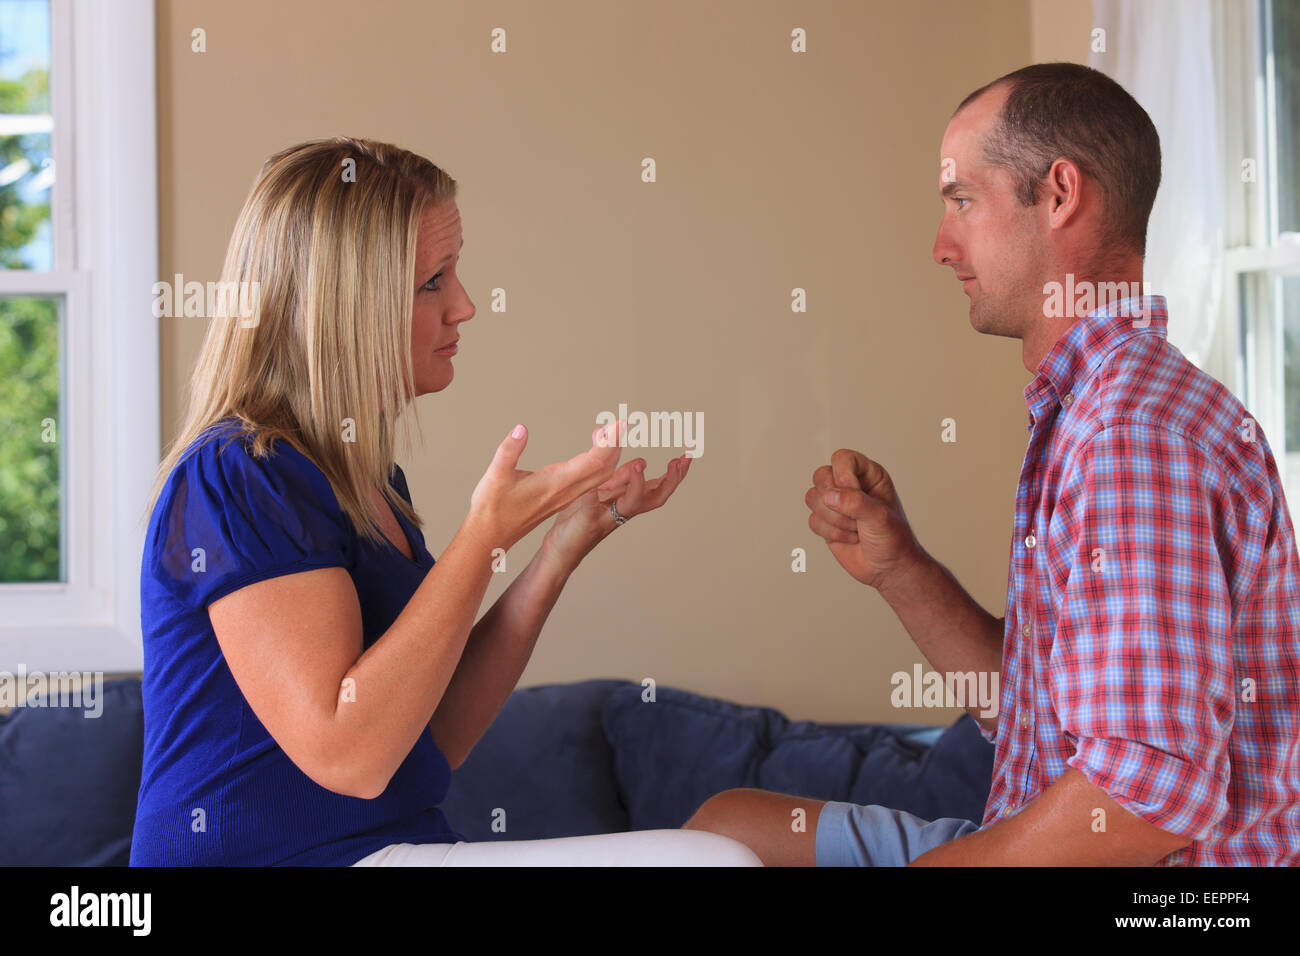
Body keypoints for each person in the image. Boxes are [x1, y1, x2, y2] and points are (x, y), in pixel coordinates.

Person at [684, 63, 1300, 866]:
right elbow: (1040, 718)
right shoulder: (1091, 409)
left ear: (1059, 195)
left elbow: (1146, 798)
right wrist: (901, 568)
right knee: (729, 829)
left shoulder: (1132, 435)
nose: (941, 246)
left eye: (962, 201)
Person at [132, 137, 760, 867]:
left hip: (387, 850)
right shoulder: (241, 475)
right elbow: (349, 756)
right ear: (349, 307)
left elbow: (434, 735)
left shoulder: (366, 481)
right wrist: (479, 536)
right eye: (434, 280)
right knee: (713, 863)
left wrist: (557, 548)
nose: (464, 306)